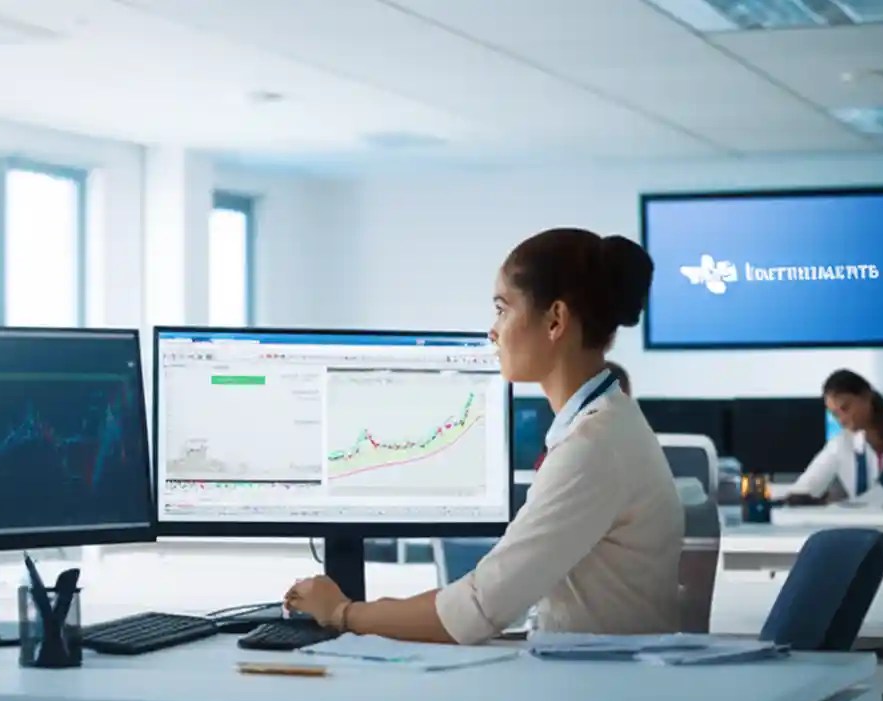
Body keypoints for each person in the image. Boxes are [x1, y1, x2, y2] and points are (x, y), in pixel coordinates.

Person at [285, 228, 684, 644]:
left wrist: (341, 612)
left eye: (502, 309)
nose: (493, 331)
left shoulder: (593, 446)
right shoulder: (606, 422)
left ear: (555, 321)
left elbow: (478, 609)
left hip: (600, 691)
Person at [787, 369, 883, 506]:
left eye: (845, 408)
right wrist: (821, 503)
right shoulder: (840, 445)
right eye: (835, 414)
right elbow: (803, 490)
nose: (841, 420)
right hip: (858, 533)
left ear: (866, 397)